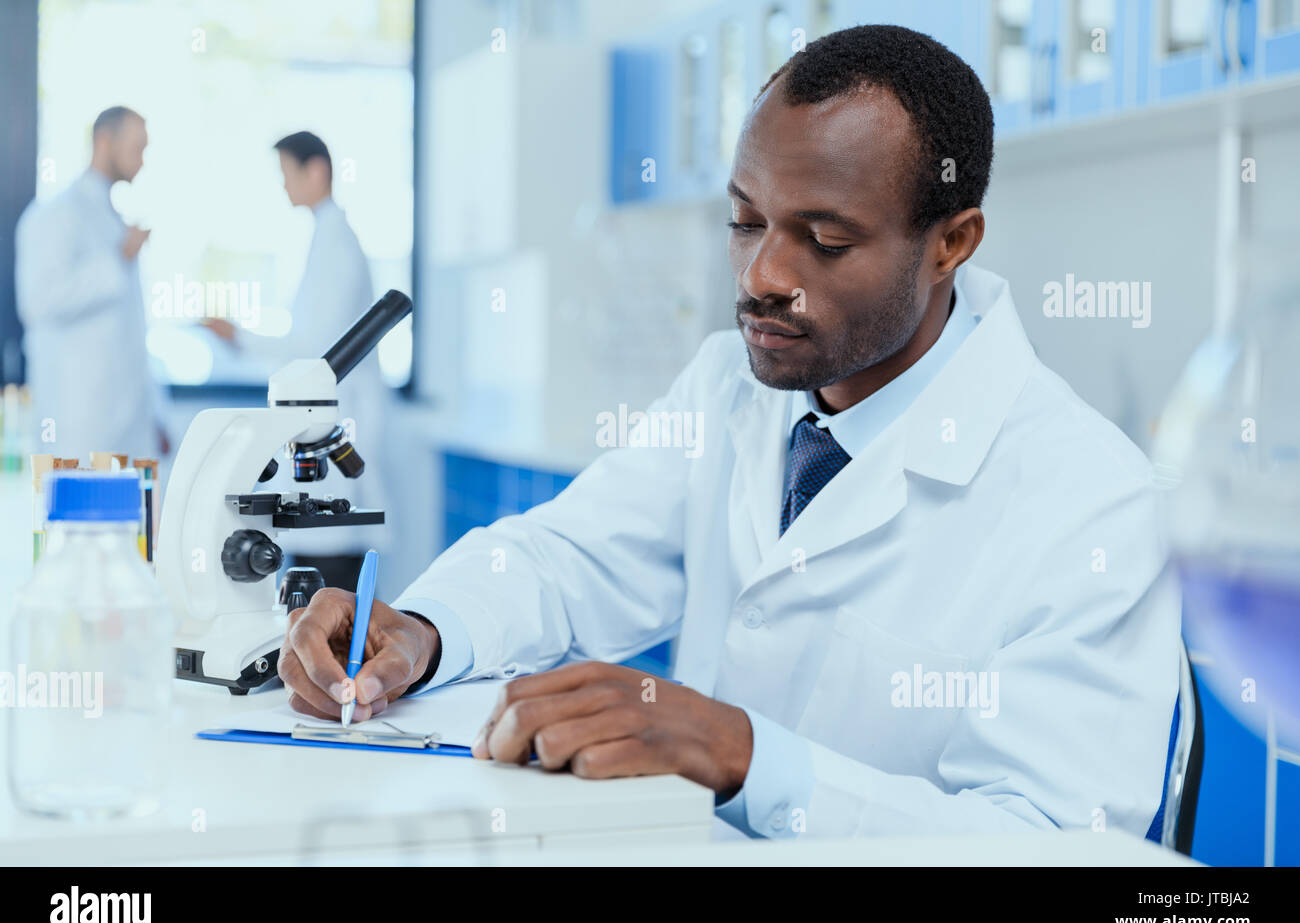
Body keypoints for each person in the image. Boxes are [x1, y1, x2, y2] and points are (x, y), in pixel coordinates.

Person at [278, 26, 1182, 840]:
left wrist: (749, 760)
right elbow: (565, 559)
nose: (761, 275)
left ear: (952, 242)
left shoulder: (1091, 503)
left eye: (823, 239)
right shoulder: (726, 387)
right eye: (745, 221)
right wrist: (424, 632)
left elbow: (1061, 850)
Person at [207, 131, 386, 588]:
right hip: (328, 419)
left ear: (317, 171)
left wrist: (242, 338)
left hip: (340, 417)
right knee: (316, 549)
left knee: (329, 557)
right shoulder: (324, 236)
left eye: (287, 173)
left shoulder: (336, 242)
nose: (284, 186)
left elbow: (313, 345)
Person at [15, 106, 168, 459]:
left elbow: (128, 335)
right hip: (77, 423)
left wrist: (154, 415)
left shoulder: (112, 219)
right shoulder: (54, 215)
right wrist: (117, 260)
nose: (142, 162)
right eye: (136, 149)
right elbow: (37, 301)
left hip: (126, 421)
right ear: (104, 141)